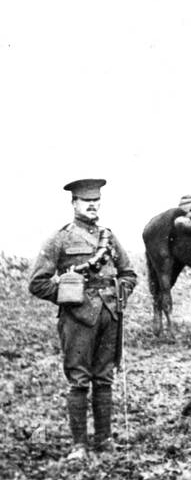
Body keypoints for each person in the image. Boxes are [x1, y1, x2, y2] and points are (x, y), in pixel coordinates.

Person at [28, 178, 137, 460]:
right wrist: (69, 295)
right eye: (87, 202)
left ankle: (104, 440)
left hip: (109, 316)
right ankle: (79, 446)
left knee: (104, 379)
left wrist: (116, 293)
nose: (92, 206)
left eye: (96, 201)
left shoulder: (108, 237)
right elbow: (38, 282)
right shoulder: (60, 238)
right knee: (78, 380)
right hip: (77, 318)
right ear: (74, 203)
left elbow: (128, 274)